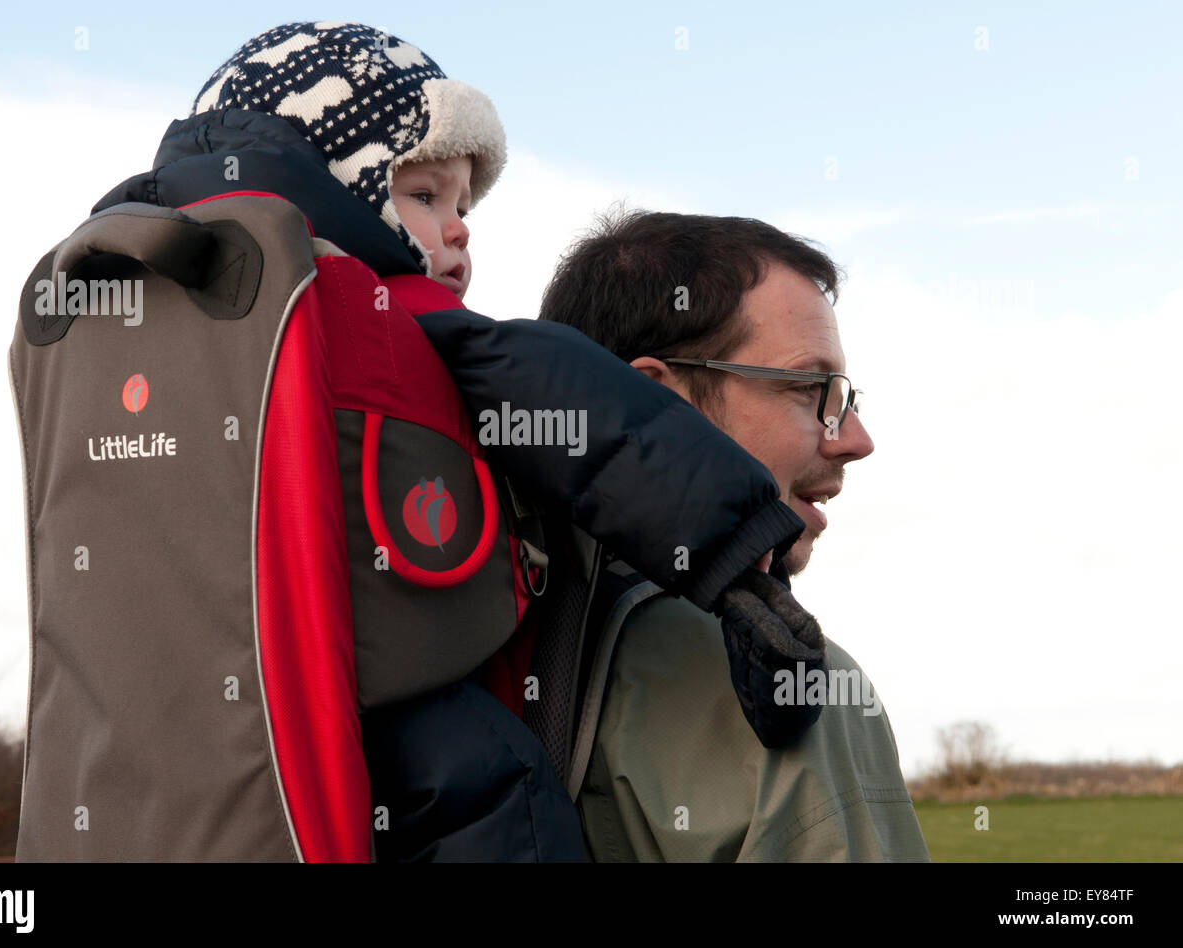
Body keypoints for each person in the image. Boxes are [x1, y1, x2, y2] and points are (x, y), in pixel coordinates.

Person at [93, 21, 827, 860]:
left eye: (464, 203)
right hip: (387, 694)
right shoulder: (380, 306)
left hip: (175, 706)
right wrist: (736, 556)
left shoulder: (133, 319)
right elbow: (591, 415)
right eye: (425, 195)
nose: (460, 227)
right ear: (340, 188)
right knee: (502, 785)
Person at [540, 209, 932, 862]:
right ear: (660, 406)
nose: (855, 439)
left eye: (846, 396)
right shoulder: (788, 683)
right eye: (812, 388)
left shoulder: (512, 620)